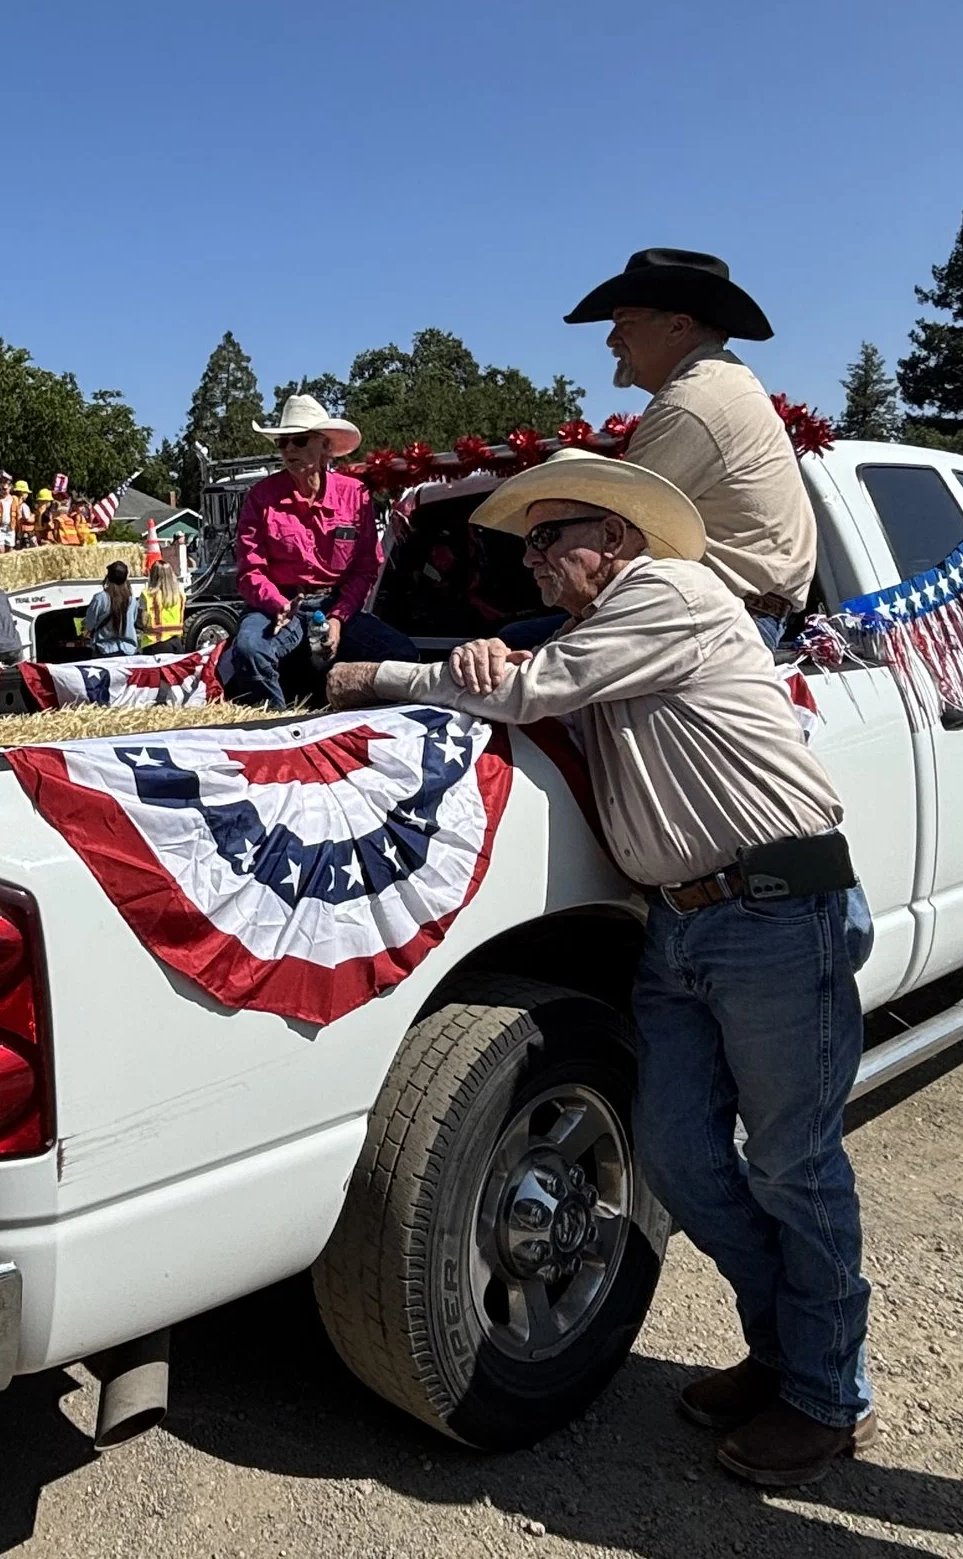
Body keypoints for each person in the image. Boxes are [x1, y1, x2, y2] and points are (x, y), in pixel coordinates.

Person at [325, 449, 874, 1486]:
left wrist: (379, 675)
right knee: (676, 1157)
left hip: (772, 909)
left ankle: (826, 1393)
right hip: (686, 922)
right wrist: (484, 664)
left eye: (550, 536)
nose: (530, 558)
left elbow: (539, 690)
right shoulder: (606, 624)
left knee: (792, 1166)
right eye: (525, 542)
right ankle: (784, 1350)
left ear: (615, 540)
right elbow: (530, 676)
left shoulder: (670, 589)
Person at [565, 249, 815, 647]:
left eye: (624, 322)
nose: (612, 339)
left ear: (678, 326)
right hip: (731, 616)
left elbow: (613, 538)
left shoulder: (693, 400)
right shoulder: (720, 384)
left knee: (510, 670)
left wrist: (557, 641)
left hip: (717, 624)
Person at [225, 394, 383, 707]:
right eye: (282, 443)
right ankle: (276, 728)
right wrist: (278, 604)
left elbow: (366, 567)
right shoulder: (261, 497)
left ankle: (363, 727)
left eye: (298, 441)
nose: (289, 450)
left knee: (400, 654)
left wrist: (338, 618)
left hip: (335, 602)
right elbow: (250, 571)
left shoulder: (357, 495)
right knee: (249, 649)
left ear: (326, 447)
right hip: (278, 602)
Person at [81, 563, 139, 657]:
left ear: (108, 577)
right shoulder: (131, 600)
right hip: (129, 651)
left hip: (105, 650)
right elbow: (133, 620)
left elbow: (89, 624)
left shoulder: (100, 598)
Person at [138, 557, 186, 651]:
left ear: (153, 575)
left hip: (155, 644)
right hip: (176, 644)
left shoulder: (148, 595)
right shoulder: (180, 595)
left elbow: (143, 621)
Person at [0, 471, 25, 552]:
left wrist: (19, 529)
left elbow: (18, 515)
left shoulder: (15, 499)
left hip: (11, 527)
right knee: (0, 549)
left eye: (4, 489)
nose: (2, 491)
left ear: (10, 487)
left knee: (9, 549)